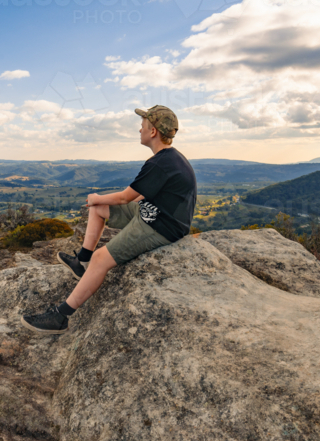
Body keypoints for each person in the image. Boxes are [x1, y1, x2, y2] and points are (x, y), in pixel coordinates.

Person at [20, 105, 197, 334]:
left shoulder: (160, 163)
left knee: (101, 257)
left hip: (162, 226)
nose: (139, 129)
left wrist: (95, 196)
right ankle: (82, 261)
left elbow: (125, 197)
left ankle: (61, 317)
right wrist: (100, 202)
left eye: (143, 125)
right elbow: (145, 194)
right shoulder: (169, 159)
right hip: (153, 211)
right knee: (100, 207)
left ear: (153, 132)